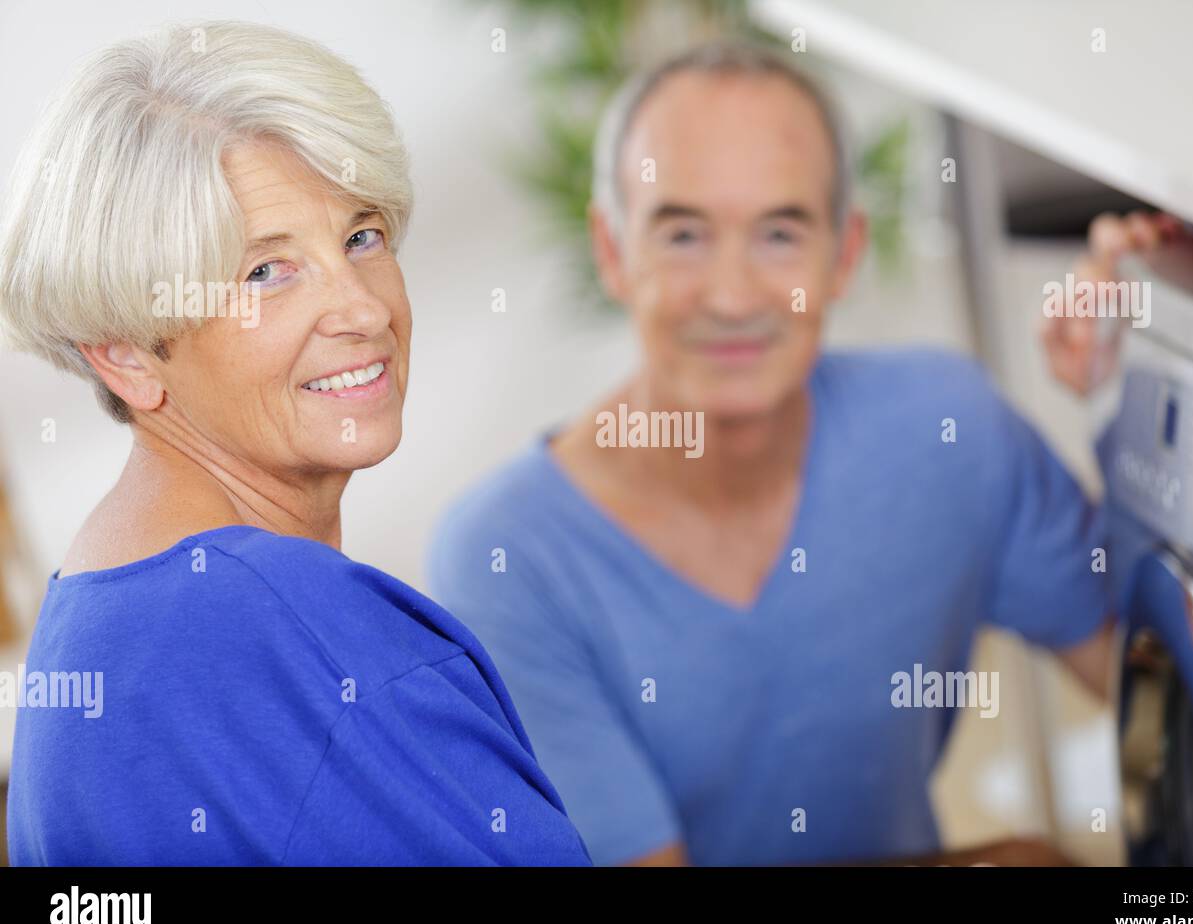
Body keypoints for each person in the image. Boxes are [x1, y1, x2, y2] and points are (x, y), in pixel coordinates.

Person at [428, 42, 1128, 867]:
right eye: (684, 233)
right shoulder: (507, 559)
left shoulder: (951, 431)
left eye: (780, 233)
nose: (732, 296)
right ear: (613, 250)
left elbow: (1153, 680)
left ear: (845, 254)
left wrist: (1132, 401)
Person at [0, 21, 591, 866]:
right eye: (265, 273)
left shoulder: (99, 617)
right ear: (125, 353)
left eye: (361, 237)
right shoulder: (293, 633)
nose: (363, 307)